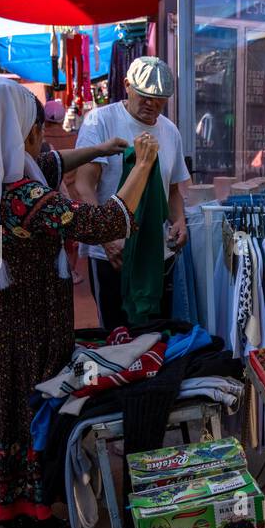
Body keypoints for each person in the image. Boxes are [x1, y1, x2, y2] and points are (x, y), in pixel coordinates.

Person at [0, 77, 155, 528]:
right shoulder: (23, 198)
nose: (41, 134)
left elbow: (52, 162)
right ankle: (31, 508)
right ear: (18, 130)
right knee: (29, 409)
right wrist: (140, 166)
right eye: (35, 125)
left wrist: (100, 148)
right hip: (29, 325)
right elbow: (101, 221)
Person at [72, 56, 190, 331]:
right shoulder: (100, 121)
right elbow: (84, 185)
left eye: (159, 97)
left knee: (156, 333)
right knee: (116, 334)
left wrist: (180, 221)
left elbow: (172, 190)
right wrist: (106, 238)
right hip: (113, 254)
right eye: (145, 95)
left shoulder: (170, 131)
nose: (152, 103)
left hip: (156, 253)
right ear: (127, 85)